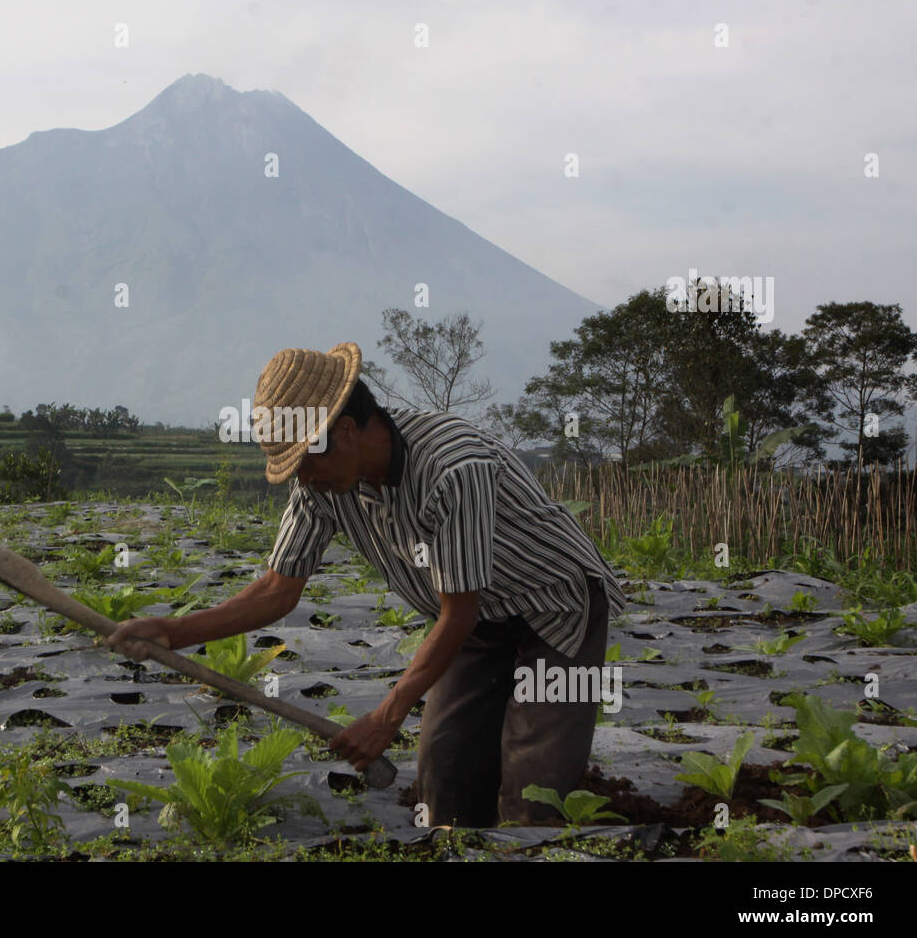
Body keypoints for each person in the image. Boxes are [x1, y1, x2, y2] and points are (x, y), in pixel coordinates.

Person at [109, 341, 626, 826]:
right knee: (444, 773)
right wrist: (171, 631)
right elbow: (277, 590)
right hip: (476, 623)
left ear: (349, 429)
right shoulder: (322, 484)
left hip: (554, 609)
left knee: (533, 787)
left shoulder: (452, 467)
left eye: (308, 463)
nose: (304, 479)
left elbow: (458, 612)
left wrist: (387, 715)